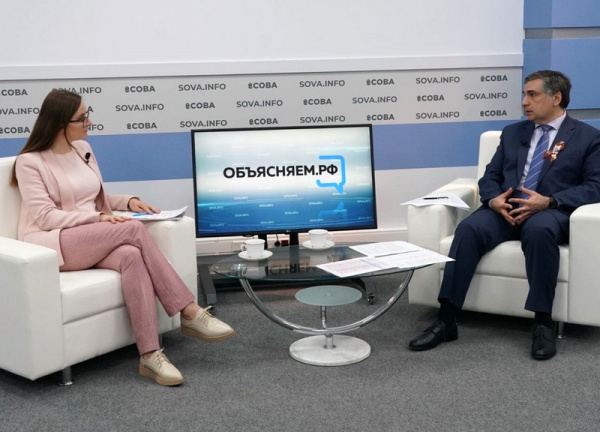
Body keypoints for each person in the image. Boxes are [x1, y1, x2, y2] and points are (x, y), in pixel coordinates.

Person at [9, 89, 235, 386]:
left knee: (131, 255)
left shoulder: (82, 149)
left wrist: (128, 201)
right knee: (131, 229)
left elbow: (93, 198)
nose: (89, 122)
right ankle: (188, 310)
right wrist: (98, 218)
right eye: (82, 118)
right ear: (61, 123)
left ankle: (150, 356)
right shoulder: (30, 162)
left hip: (91, 237)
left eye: (88, 115)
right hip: (54, 242)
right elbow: (46, 216)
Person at [408, 70, 600, 360]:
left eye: (532, 94)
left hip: (550, 211)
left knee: (539, 231)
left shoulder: (588, 137)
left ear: (556, 98)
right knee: (469, 229)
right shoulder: (512, 133)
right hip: (505, 209)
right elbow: (490, 176)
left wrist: (550, 201)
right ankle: (446, 319)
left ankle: (543, 323)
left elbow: (595, 186)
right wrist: (493, 198)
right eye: (524, 95)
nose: (524, 102)